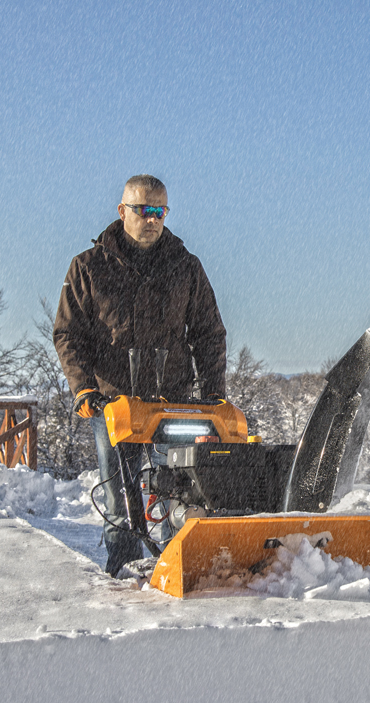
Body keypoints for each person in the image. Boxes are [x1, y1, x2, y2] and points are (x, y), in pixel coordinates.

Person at [54, 174, 226, 576]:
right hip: (115, 404)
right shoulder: (89, 267)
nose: (152, 219)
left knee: (181, 496)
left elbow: (208, 333)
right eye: (143, 210)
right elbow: (68, 333)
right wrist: (84, 389)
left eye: (159, 211)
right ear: (122, 211)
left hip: (175, 405)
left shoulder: (185, 266)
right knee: (119, 502)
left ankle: (177, 573)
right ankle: (122, 577)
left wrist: (215, 393)